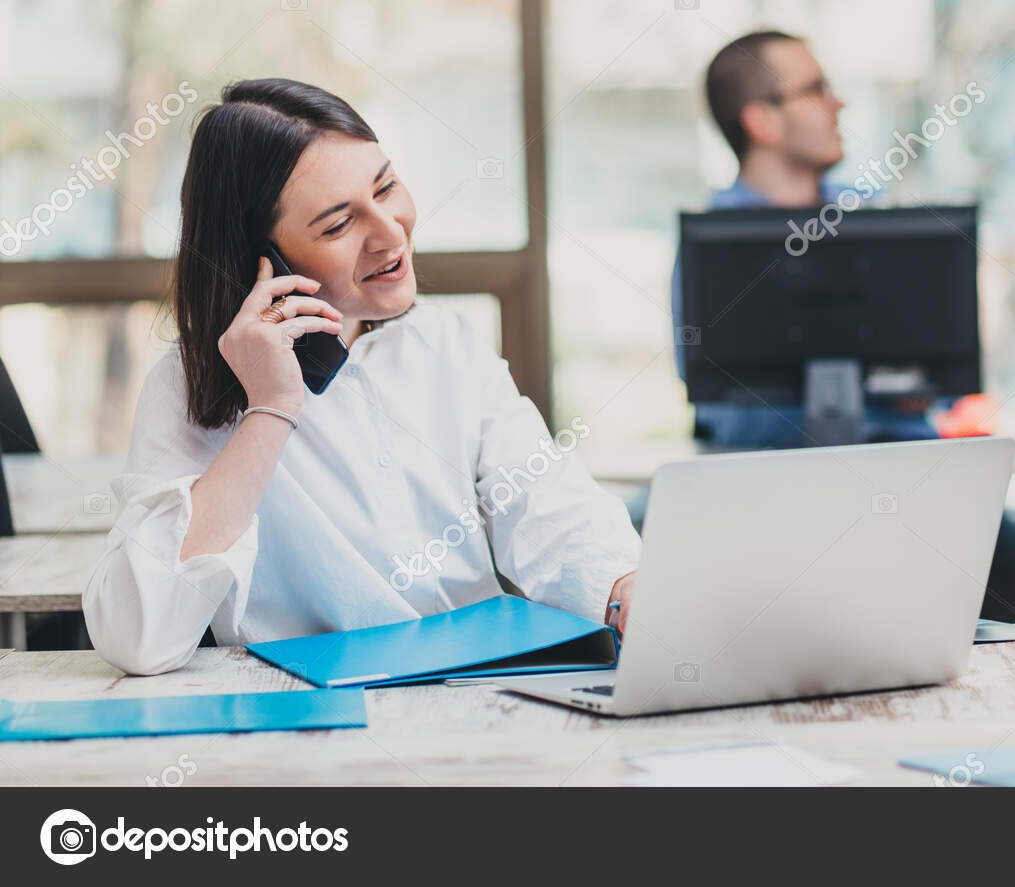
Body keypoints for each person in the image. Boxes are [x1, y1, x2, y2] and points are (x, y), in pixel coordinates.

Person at [83, 78, 641, 675]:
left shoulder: (442, 344)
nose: (391, 232)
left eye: (387, 187)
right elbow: (139, 637)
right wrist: (270, 406)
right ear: (261, 260)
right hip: (301, 719)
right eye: (337, 225)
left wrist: (623, 591)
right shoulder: (187, 389)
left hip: (475, 700)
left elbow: (549, 506)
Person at [674, 30, 1015, 622]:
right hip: (776, 488)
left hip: (910, 475)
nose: (838, 104)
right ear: (762, 121)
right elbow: (723, 404)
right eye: (816, 90)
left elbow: (943, 376)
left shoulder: (874, 222)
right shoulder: (713, 249)